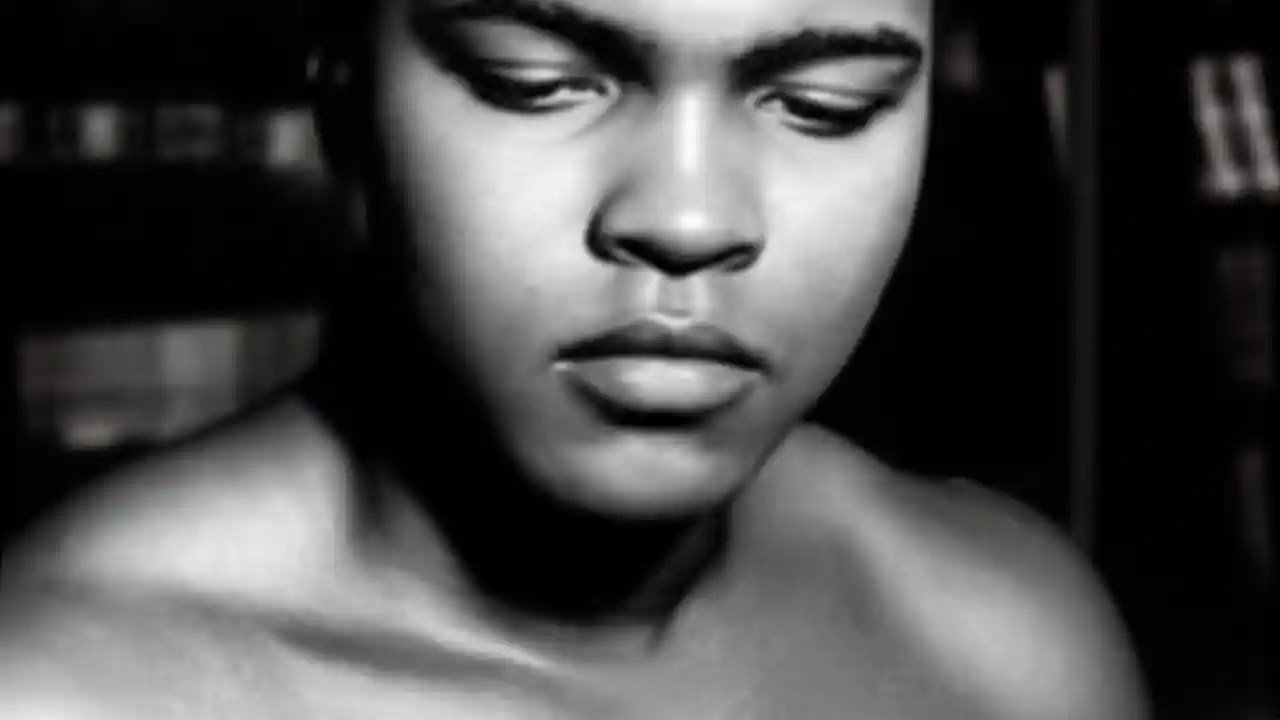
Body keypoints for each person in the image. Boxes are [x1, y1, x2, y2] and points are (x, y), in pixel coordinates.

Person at [0, 0, 1149, 716]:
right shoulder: (59, 686)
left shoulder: (1016, 644)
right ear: (342, 88)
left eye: (822, 105)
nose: (688, 217)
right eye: (532, 84)